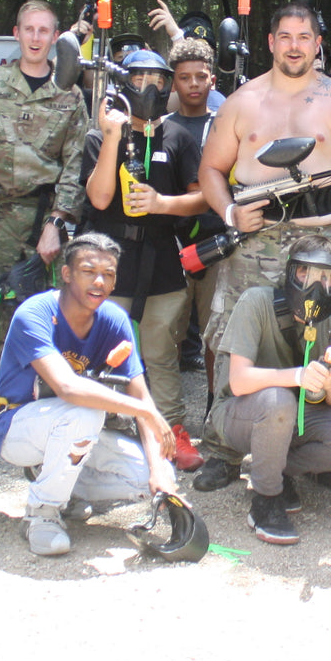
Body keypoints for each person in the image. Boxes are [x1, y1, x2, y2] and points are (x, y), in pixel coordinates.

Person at [192, 4, 331, 492]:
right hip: (254, 240)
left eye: (305, 36)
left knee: (326, 337)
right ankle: (222, 449)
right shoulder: (242, 100)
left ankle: (310, 450)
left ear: (318, 44)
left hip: (322, 240)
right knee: (231, 335)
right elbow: (211, 169)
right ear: (272, 42)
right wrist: (231, 214)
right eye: (285, 36)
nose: (295, 45)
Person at [0, 233, 179, 557]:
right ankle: (42, 512)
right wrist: (143, 411)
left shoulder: (115, 320)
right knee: (86, 412)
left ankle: (64, 490)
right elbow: (67, 388)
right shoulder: (34, 313)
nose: (100, 281)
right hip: (14, 426)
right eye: (89, 271)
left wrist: (159, 472)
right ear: (66, 274)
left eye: (109, 273)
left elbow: (140, 392)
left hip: (70, 427)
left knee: (152, 478)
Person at [0, 0, 89, 391]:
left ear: (55, 38)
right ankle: (1, 399)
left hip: (43, 215)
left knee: (51, 307)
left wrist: (56, 224)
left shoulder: (70, 96)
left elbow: (75, 166)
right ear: (16, 33)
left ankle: (51, 395)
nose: (36, 38)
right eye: (29, 29)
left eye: (44, 31)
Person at [81, 48, 207, 470]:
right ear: (123, 84)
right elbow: (98, 197)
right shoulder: (100, 137)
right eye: (137, 79)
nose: (147, 88)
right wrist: (114, 134)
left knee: (159, 353)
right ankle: (97, 431)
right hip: (110, 263)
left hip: (161, 261)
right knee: (105, 351)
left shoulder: (178, 137)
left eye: (156, 79)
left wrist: (162, 203)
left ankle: (172, 431)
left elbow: (201, 198)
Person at [210, 237, 331, 544]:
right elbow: (239, 381)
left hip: (296, 416)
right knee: (278, 400)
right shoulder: (256, 301)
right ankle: (265, 501)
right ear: (290, 273)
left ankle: (272, 469)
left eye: (327, 277)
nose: (316, 286)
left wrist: (329, 384)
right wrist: (298, 376)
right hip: (239, 415)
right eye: (306, 274)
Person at [158, 36, 223, 398]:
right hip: (172, 247)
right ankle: (167, 417)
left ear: (212, 79)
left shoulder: (226, 126)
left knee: (217, 334)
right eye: (185, 77)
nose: (194, 84)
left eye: (201, 76)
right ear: (173, 81)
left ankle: (216, 413)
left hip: (220, 245)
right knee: (167, 336)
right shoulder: (161, 128)